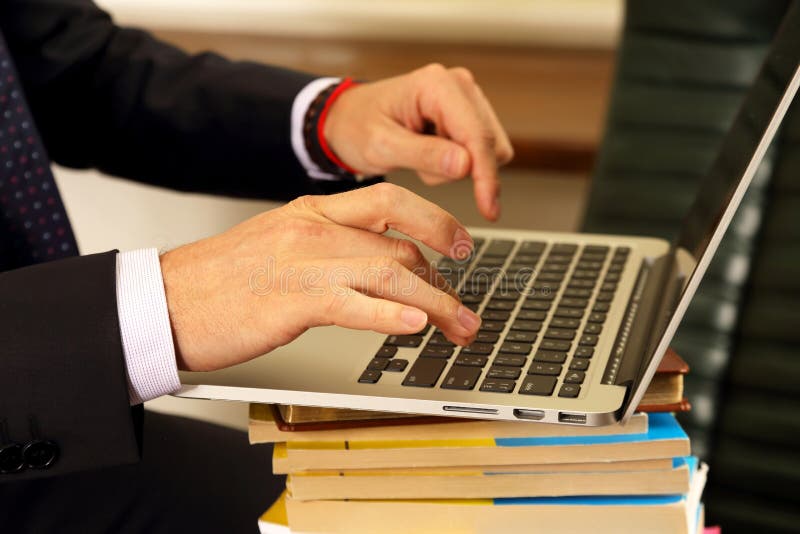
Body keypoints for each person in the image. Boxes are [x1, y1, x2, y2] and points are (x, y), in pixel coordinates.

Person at [0, 0, 512, 531]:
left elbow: (72, 64)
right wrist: (159, 307)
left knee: (424, 500)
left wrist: (328, 118)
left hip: (44, 433)